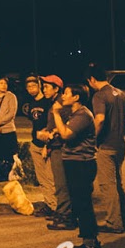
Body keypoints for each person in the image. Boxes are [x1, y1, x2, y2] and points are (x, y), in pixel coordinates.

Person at [51, 81, 101, 248]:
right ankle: (89, 243)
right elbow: (65, 133)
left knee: (83, 205)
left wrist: (55, 113)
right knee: (80, 205)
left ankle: (91, 247)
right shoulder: (76, 114)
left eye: (66, 93)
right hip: (75, 163)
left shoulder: (83, 115)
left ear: (76, 97)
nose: (63, 96)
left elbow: (67, 134)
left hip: (81, 164)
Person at [87, 65, 125, 234]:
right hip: (120, 144)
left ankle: (114, 223)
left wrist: (91, 139)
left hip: (106, 145)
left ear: (92, 79)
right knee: (118, 183)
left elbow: (99, 119)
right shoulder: (120, 93)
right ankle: (124, 219)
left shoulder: (99, 96)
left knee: (107, 185)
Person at [31, 74, 74, 228]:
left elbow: (69, 124)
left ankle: (65, 216)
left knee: (61, 183)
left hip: (60, 148)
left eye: (47, 87)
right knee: (59, 182)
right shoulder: (54, 103)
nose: (44, 89)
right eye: (43, 86)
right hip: (54, 146)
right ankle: (62, 213)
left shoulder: (61, 104)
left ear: (57, 88)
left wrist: (49, 135)